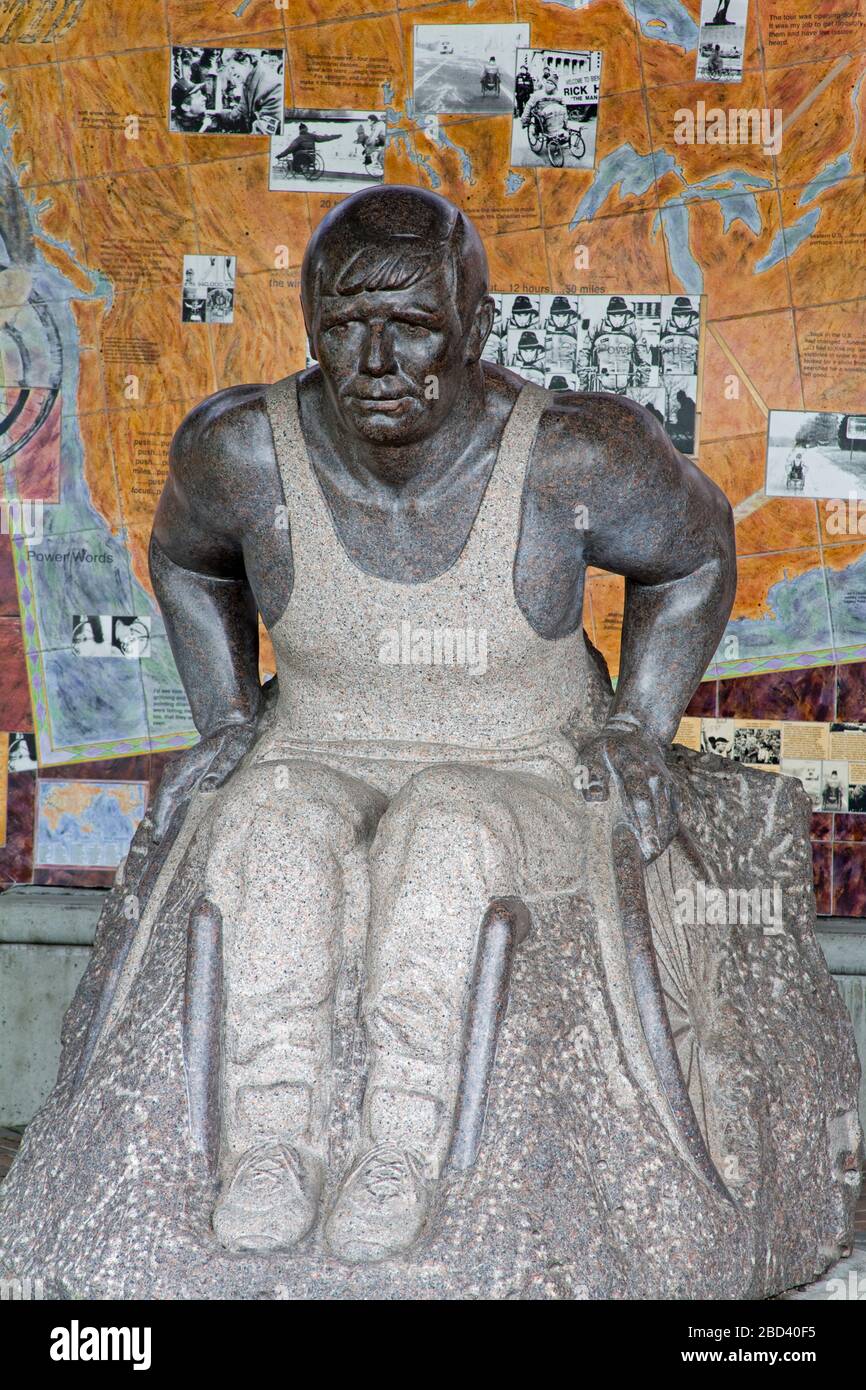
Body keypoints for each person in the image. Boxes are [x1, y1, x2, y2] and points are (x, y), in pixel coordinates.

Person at [151, 186, 736, 1264]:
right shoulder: (239, 451)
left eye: (412, 325)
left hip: (513, 763)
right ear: (310, 324)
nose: (373, 360)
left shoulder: (573, 456)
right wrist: (228, 714)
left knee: (444, 827)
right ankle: (273, 1145)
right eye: (342, 326)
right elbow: (187, 559)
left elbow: (694, 554)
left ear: (472, 326)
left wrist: (640, 726)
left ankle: (399, 1149)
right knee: (267, 824)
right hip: (319, 745)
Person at [577, 295, 651, 392]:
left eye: (620, 315)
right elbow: (584, 353)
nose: (617, 319)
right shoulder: (598, 327)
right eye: (613, 316)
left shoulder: (635, 328)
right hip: (600, 383)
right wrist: (584, 384)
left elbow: (645, 359)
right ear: (608, 315)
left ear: (625, 314)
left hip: (628, 382)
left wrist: (643, 386)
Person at [212, 50, 283, 135]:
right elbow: (240, 113)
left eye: (233, 67)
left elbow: (264, 131)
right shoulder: (249, 81)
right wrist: (218, 116)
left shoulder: (273, 85)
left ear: (246, 62)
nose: (231, 74)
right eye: (229, 69)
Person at [274, 122, 341, 176]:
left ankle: (295, 168)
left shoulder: (299, 139)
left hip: (300, 159)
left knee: (294, 149)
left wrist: (280, 155)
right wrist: (335, 136)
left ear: (300, 130)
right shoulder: (312, 136)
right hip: (311, 159)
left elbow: (289, 149)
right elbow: (324, 138)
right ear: (306, 129)